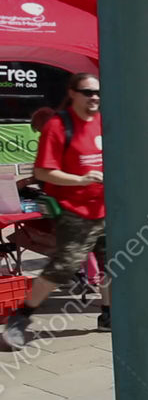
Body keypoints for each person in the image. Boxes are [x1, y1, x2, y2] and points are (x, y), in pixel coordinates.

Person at [2, 74, 109, 350]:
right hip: (74, 211)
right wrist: (82, 180)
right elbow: (42, 171)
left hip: (107, 209)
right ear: (72, 93)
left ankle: (109, 315)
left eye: (97, 92)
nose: (94, 96)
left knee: (114, 264)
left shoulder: (103, 122)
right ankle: (20, 318)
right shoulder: (58, 127)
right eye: (87, 92)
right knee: (63, 268)